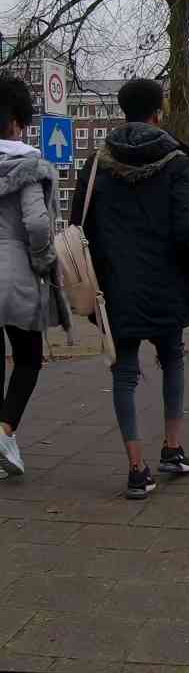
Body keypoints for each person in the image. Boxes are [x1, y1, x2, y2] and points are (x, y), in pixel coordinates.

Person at [71, 78, 189, 500]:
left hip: (116, 285)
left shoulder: (95, 164)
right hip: (166, 282)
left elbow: (79, 225)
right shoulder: (178, 162)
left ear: (122, 111)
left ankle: (135, 469)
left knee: (124, 372)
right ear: (158, 112)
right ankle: (173, 448)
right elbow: (187, 232)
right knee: (173, 362)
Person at [0, 76, 71, 478]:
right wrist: (43, 260)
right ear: (16, 123)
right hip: (14, 275)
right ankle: (5, 429)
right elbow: (38, 224)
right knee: (28, 359)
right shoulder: (28, 165)